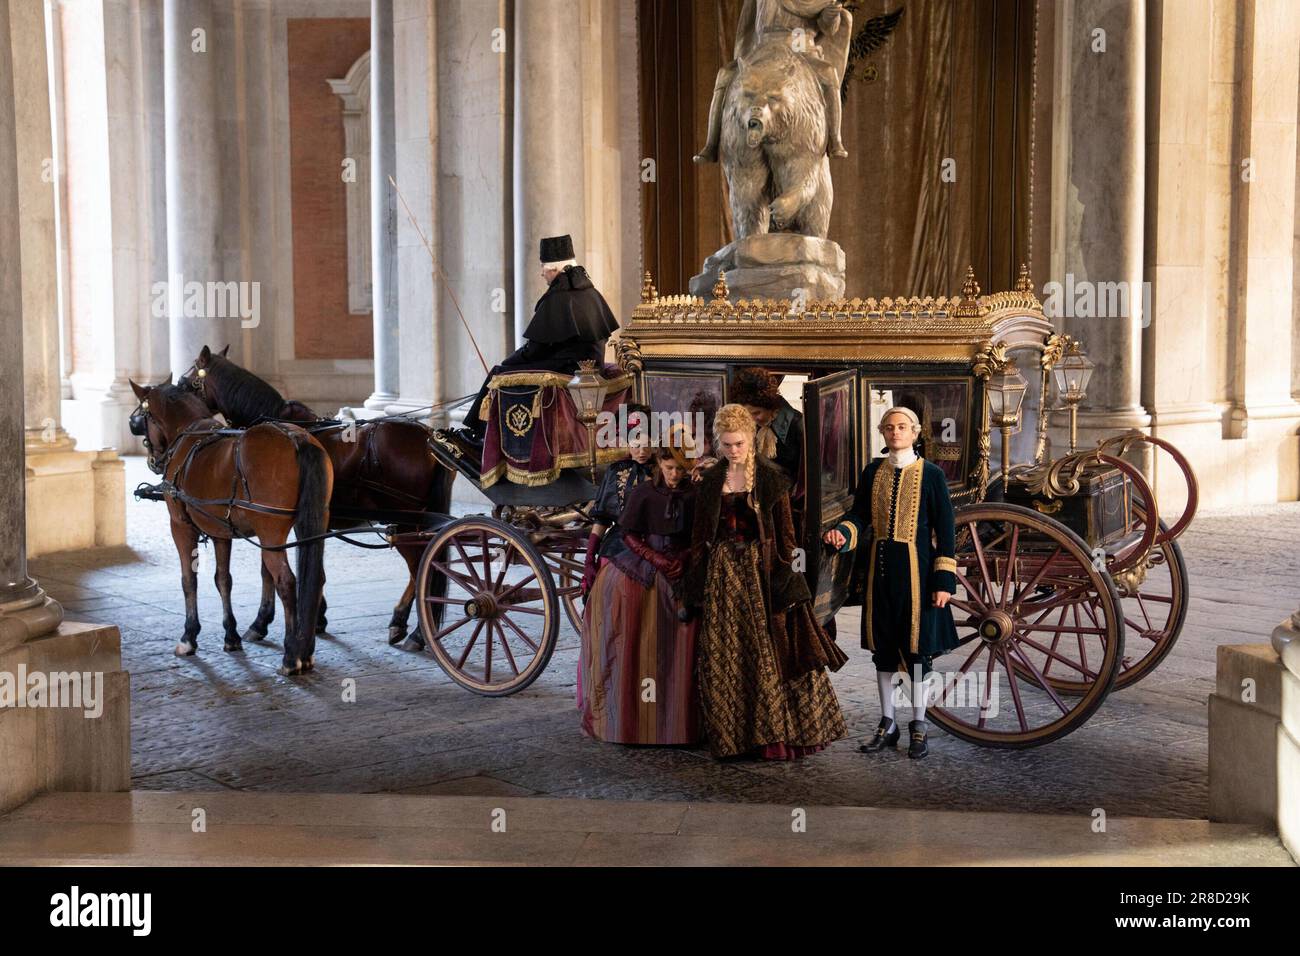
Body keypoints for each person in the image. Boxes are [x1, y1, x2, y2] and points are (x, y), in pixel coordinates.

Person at [686, 403, 847, 759]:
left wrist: (789, 584)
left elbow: (787, 539)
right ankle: (735, 737)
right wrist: (692, 589)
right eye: (726, 444)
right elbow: (700, 538)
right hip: (724, 575)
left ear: (751, 439)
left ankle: (774, 736)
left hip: (762, 572)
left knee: (768, 651)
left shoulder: (772, 479)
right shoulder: (712, 481)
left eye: (739, 443)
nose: (733, 451)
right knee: (727, 654)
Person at [822, 406, 959, 759]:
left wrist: (944, 580)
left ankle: (918, 724)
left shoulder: (931, 475)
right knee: (883, 651)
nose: (895, 432)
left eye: (902, 427)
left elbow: (946, 531)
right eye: (889, 427)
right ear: (883, 433)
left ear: (915, 433)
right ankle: (887, 722)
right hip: (880, 574)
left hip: (919, 574)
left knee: (917, 653)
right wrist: (842, 533)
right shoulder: (872, 472)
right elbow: (860, 515)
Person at [579, 437, 701, 745]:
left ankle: (677, 723)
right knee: (635, 639)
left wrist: (684, 557)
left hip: (682, 567)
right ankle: (633, 721)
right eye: (670, 467)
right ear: (660, 464)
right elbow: (629, 533)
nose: (675, 475)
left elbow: (701, 534)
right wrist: (655, 558)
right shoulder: (644, 492)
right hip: (641, 563)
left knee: (682, 642)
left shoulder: (694, 493)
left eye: (680, 469)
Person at [448, 234, 619, 452]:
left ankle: (480, 437)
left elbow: (534, 349)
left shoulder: (559, 297)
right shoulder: (590, 292)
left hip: (569, 371)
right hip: (590, 368)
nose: (541, 273)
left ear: (554, 269)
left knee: (498, 374)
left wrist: (507, 363)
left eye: (543, 268)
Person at [694, 0, 852, 164]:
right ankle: (711, 144)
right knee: (725, 74)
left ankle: (835, 139)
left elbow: (828, 29)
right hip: (765, 45)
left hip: (800, 45)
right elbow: (749, 22)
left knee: (828, 72)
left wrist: (830, 15)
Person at [729, 367, 804, 487]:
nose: (752, 420)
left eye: (757, 413)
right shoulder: (748, 425)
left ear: (771, 406)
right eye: (747, 414)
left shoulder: (798, 425)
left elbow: (803, 478)